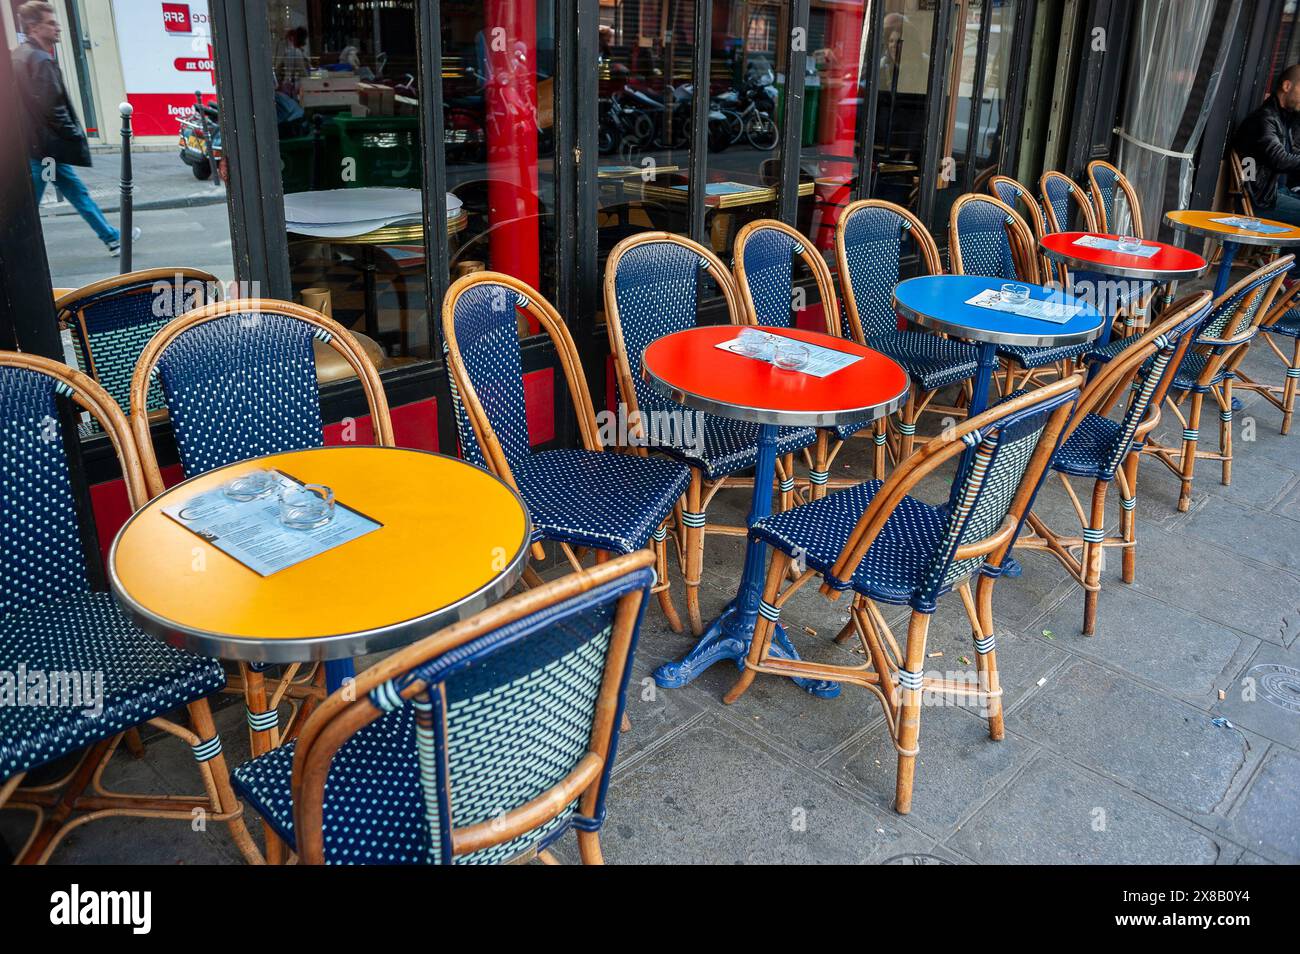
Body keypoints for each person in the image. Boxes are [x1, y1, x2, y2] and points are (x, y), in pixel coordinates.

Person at [13, 1, 123, 256]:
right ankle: (16, 250)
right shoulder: (39, 60)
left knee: (74, 190)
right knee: (29, 205)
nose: (58, 28)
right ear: (33, 27)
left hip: (39, 147)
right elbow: (52, 107)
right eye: (51, 23)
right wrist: (73, 135)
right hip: (45, 150)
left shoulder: (19, 56)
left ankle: (112, 237)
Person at [1233, 63, 1300, 227]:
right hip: (1260, 199)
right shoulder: (1265, 119)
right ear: (1286, 86)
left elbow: (1294, 152)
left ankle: (1285, 253)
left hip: (1274, 192)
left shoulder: (1282, 118)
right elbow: (1280, 160)